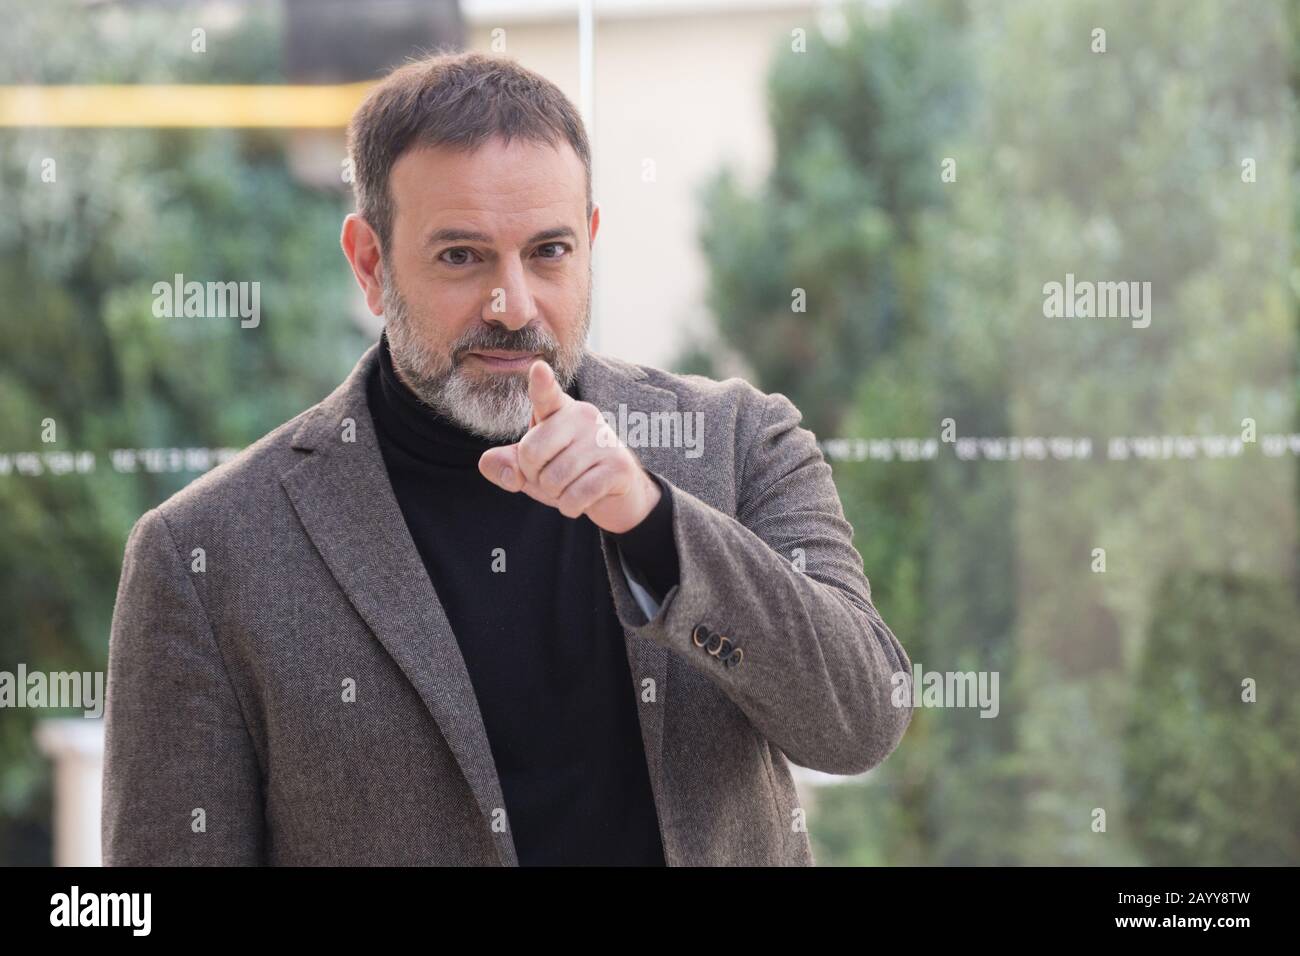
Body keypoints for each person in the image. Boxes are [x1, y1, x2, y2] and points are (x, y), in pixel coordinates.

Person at [101, 50, 912, 866]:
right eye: (462, 256)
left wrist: (654, 523)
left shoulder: (739, 440)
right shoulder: (205, 555)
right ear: (371, 266)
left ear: (590, 241)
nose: (514, 306)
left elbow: (863, 718)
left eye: (549, 252)